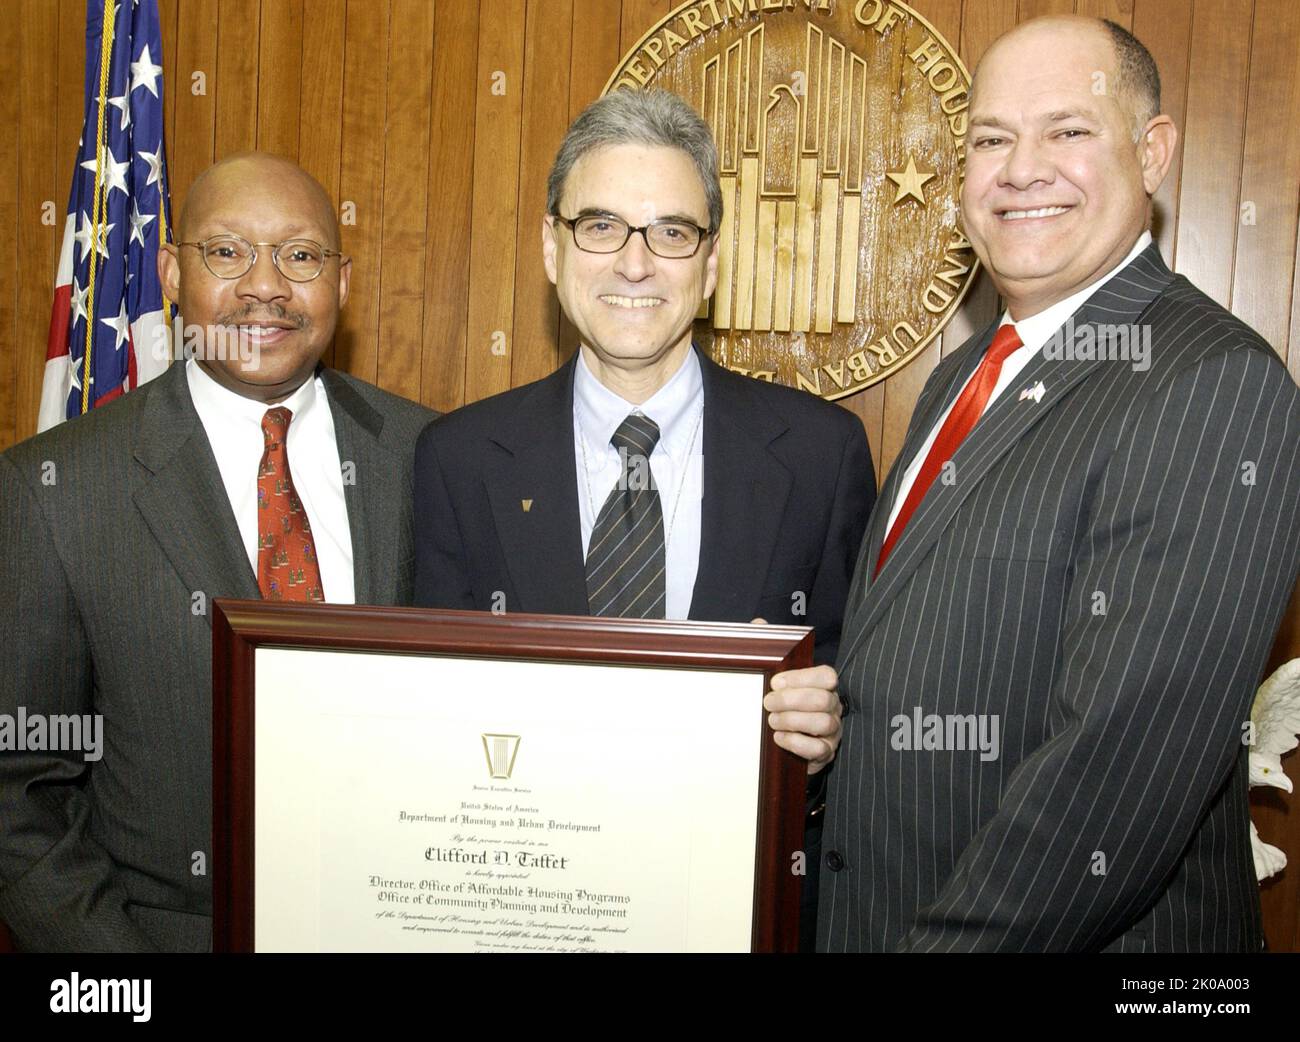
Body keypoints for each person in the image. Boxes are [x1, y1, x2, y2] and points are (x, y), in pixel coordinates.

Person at [818, 15, 1300, 952]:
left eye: (1068, 131)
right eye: (991, 139)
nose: (1021, 167)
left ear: (1152, 153)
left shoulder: (1210, 384)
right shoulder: (967, 375)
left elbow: (1117, 774)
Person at [412, 89, 874, 949]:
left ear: (709, 263)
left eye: (671, 232)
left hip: (738, 910)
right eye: (600, 226)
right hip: (521, 914)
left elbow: (856, 685)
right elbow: (434, 721)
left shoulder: (821, 453)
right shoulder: (459, 458)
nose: (635, 264)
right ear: (552, 248)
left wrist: (826, 741)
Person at [0, 152, 435, 951]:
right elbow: (17, 793)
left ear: (342, 283)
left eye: (300, 256)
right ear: (170, 271)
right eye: (227, 251)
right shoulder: (56, 489)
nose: (265, 286)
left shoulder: (430, 456)